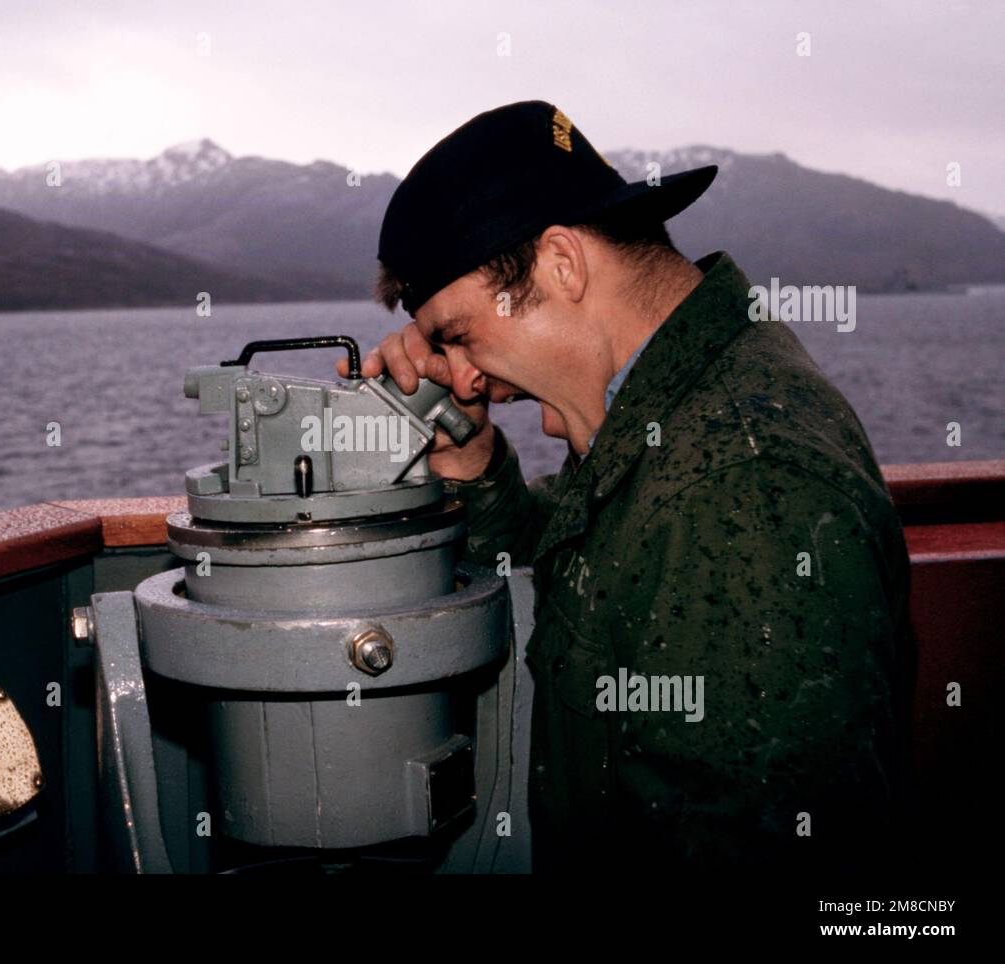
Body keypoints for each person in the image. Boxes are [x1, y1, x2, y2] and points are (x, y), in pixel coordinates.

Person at [350, 100, 914, 876]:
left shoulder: (741, 487)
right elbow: (593, 572)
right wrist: (470, 448)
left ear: (562, 265)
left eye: (459, 334)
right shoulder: (663, 407)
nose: (470, 376)